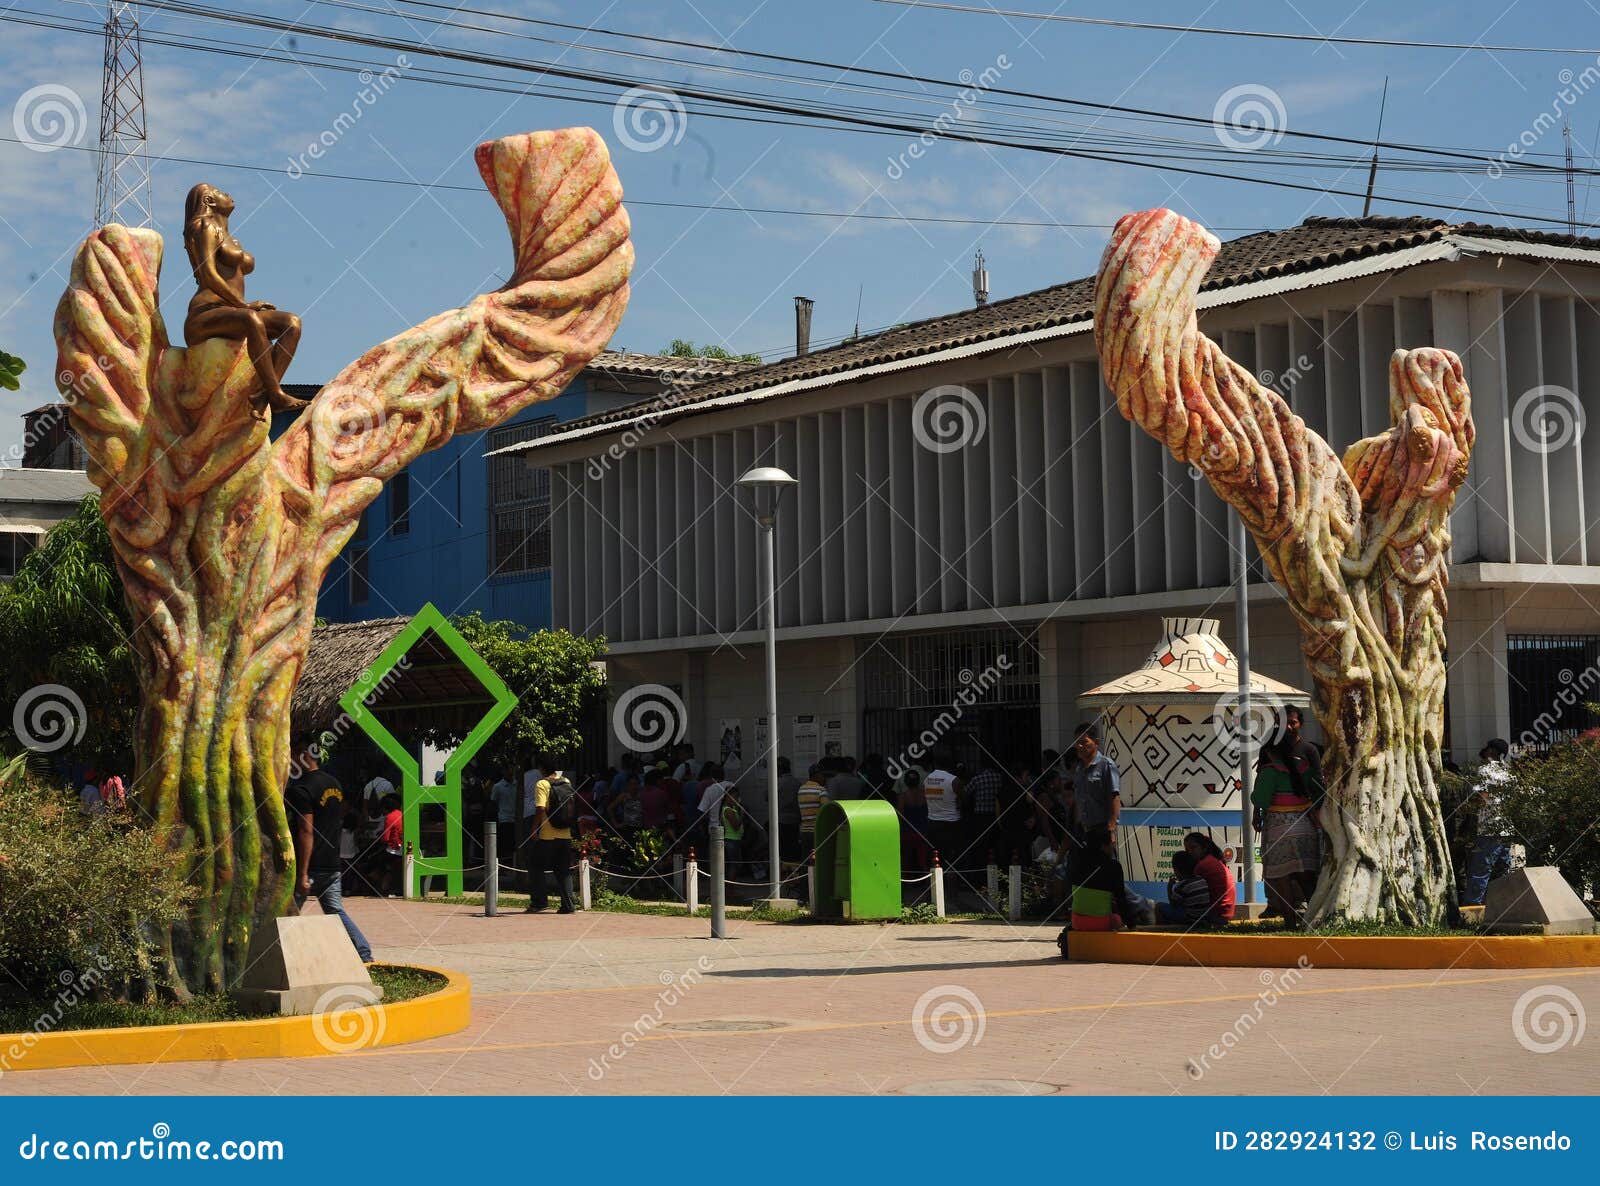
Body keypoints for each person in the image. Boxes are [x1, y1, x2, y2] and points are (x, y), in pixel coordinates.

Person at [181, 182, 305, 415]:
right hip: (205, 314)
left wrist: (241, 307)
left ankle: (264, 394)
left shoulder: (231, 238)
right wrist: (243, 304)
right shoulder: (204, 227)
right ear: (208, 201)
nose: (227, 193)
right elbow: (208, 274)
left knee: (292, 323)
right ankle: (276, 394)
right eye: (219, 192)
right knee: (252, 319)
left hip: (233, 312)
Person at [286, 738, 373, 961]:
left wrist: (303, 873)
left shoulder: (300, 789)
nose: (289, 760)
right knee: (335, 910)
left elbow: (306, 830)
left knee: (288, 913)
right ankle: (363, 953)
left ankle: (286, 958)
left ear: (304, 755)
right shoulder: (334, 784)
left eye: (292, 755)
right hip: (332, 861)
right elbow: (338, 815)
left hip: (311, 864)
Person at [1253, 705, 1324, 926]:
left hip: (1295, 819)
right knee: (1302, 872)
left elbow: (1318, 784)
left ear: (1300, 723)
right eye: (1284, 723)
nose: (1289, 727)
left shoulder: (1309, 750)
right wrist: (1258, 814)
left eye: (1292, 722)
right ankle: (1299, 919)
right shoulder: (1268, 750)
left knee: (1292, 873)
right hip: (1287, 819)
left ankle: (1299, 919)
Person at [1462, 738, 1515, 906]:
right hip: (1507, 829)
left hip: (1488, 829)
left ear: (1492, 751)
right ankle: (1500, 907)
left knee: (1480, 871)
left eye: (1487, 750)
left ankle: (1472, 909)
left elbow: (1482, 797)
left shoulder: (1484, 771)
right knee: (1503, 872)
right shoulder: (1509, 773)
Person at [1067, 724, 1119, 885]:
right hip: (1084, 831)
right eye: (1077, 743)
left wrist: (1111, 829)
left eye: (1084, 742)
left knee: (1107, 874)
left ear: (1096, 742)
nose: (1080, 746)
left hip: (1102, 829)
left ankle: (1134, 906)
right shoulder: (1079, 769)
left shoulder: (1106, 765)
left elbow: (1114, 796)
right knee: (1085, 874)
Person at [527, 768, 576, 913]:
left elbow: (541, 808)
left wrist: (534, 828)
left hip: (547, 835)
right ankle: (568, 906)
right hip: (565, 833)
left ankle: (539, 903)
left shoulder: (542, 784)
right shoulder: (566, 781)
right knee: (563, 871)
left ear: (542, 769)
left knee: (535, 866)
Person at [1183, 832, 1237, 927]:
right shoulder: (1215, 860)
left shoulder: (1202, 866)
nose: (1190, 853)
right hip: (1226, 913)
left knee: (1159, 908)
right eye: (1187, 850)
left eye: (1193, 848)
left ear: (1204, 848)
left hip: (1214, 915)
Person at [921, 758, 963, 871]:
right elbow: (961, 802)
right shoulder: (954, 780)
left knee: (935, 856)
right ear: (950, 766)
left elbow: (925, 799)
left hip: (932, 822)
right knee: (953, 858)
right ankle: (952, 885)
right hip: (951, 823)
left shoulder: (927, 779)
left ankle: (933, 883)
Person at [1159, 850, 1215, 926]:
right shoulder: (1201, 880)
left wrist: (1169, 887)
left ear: (1177, 871)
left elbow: (1173, 904)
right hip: (1203, 918)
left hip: (1190, 920)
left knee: (1159, 906)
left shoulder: (1182, 886)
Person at [797, 765, 830, 857]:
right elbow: (827, 811)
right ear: (817, 775)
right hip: (817, 832)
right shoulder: (821, 791)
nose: (825, 779)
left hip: (804, 832)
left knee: (807, 860)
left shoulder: (801, 789)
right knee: (818, 860)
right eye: (823, 776)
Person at [776, 756, 802, 860]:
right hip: (795, 820)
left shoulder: (776, 782)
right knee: (793, 847)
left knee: (781, 849)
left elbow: (766, 797)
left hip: (780, 819)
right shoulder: (797, 783)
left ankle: (782, 872)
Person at [380, 793, 404, 897]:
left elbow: (385, 838)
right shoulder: (401, 814)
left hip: (393, 850)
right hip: (402, 847)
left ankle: (385, 889)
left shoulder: (389, 817)